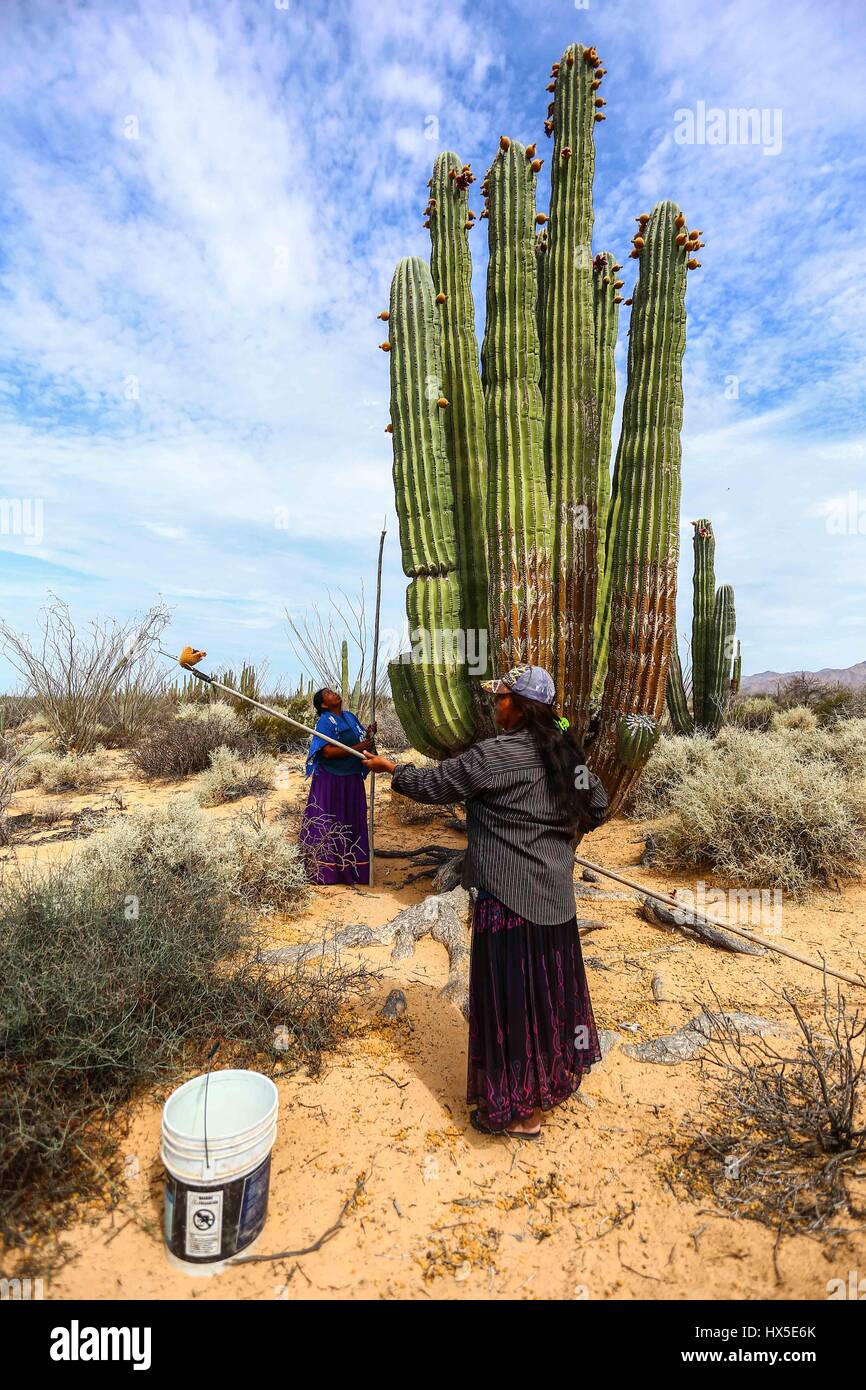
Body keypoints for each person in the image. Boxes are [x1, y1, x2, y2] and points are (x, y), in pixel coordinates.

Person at [362, 664, 608, 1139]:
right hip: (555, 901)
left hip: (509, 902)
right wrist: (559, 834)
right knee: (548, 996)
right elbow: (596, 805)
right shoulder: (566, 755)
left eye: (500, 698)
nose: (494, 704)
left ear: (518, 705)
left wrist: (393, 769)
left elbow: (436, 786)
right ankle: (548, 1085)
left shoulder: (495, 756)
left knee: (513, 1003)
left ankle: (520, 1112)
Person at [300, 687, 376, 886]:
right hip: (331, 780)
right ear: (324, 705)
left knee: (351, 819)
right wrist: (360, 748)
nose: (334, 693)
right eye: (328, 694)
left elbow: (361, 740)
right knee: (329, 820)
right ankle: (326, 870)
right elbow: (328, 752)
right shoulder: (324, 721)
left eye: (333, 691)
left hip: (351, 779)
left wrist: (369, 735)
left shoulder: (350, 716)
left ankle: (353, 868)